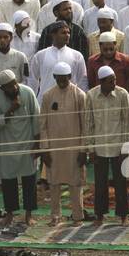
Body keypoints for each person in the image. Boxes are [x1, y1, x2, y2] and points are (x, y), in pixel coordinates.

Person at [38, 62, 89, 226]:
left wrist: (83, 150)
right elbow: (43, 125)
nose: (62, 81)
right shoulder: (47, 96)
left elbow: (85, 125)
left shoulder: (80, 95)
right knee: (54, 182)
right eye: (58, 78)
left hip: (74, 147)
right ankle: (55, 216)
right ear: (54, 77)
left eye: (64, 78)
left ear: (70, 77)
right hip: (54, 148)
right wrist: (44, 149)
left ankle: (77, 216)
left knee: (76, 183)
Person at [0, 69, 40, 227]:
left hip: (27, 142)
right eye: (9, 87)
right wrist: (10, 110)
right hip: (7, 145)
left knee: (29, 180)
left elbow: (36, 117)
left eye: (14, 85)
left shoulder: (27, 92)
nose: (13, 89)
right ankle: (10, 214)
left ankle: (29, 214)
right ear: (2, 88)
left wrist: (37, 144)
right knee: (8, 180)